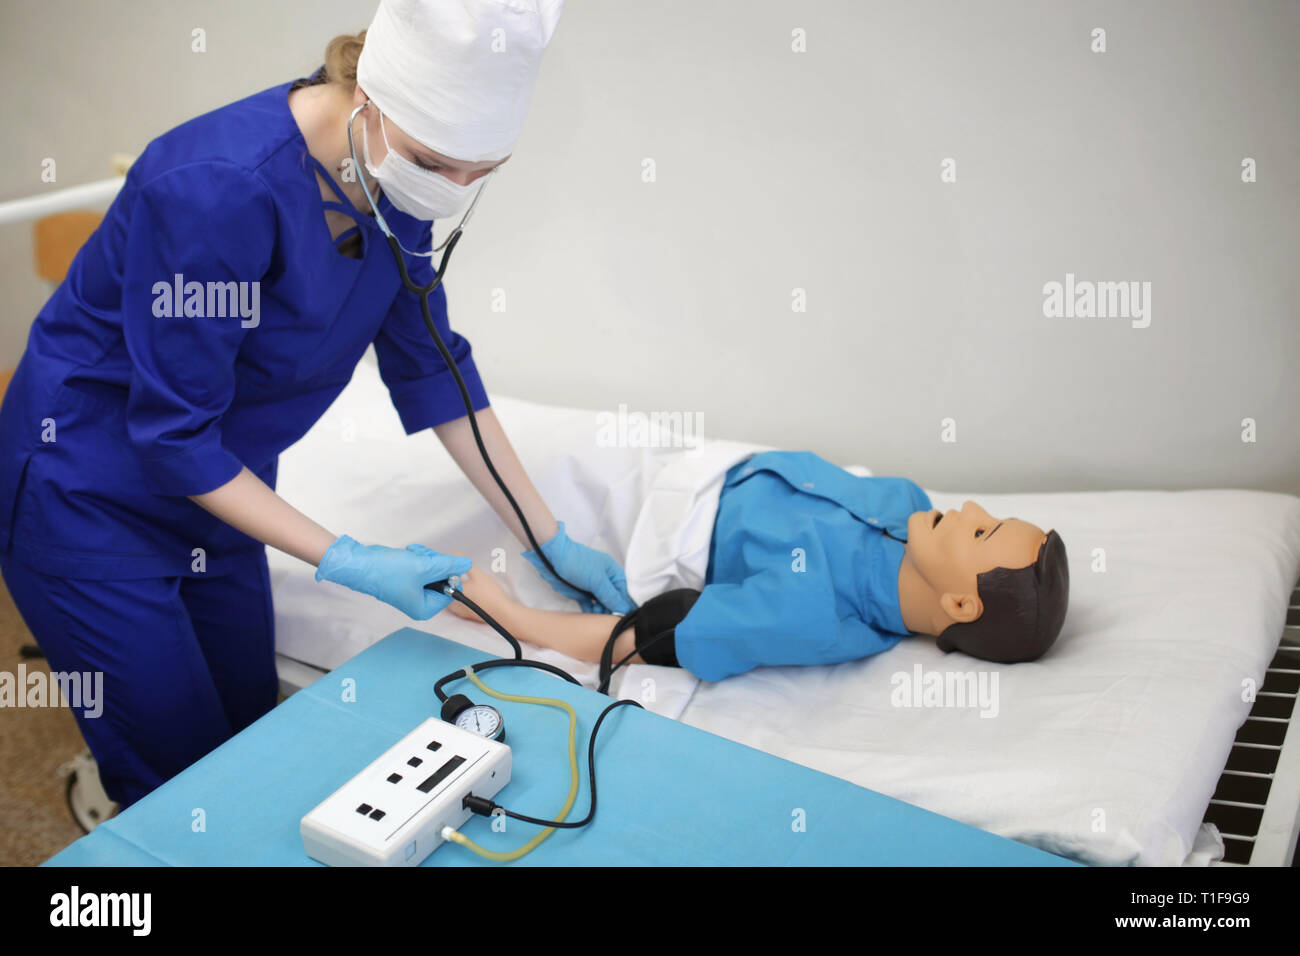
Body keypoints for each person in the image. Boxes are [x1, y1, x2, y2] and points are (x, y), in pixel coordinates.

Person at [0, 0, 631, 810]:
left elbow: (433, 366)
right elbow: (173, 434)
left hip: (222, 498)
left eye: (483, 173)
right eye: (440, 163)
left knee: (246, 728)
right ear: (371, 101)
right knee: (182, 778)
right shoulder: (216, 192)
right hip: (88, 490)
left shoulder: (393, 177)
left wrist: (549, 538)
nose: (453, 191)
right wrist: (347, 558)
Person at [445, 450, 1071, 685]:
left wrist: (508, 614)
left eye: (982, 530)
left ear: (960, 607)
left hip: (634, 511)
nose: (968, 508)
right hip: (687, 453)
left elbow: (646, 639)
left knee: (458, 488)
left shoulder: (814, 617)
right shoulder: (907, 503)